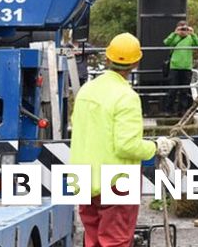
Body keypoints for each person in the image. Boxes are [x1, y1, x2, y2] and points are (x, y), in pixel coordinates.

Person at [71, 33, 173, 247]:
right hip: (116, 183)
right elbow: (127, 146)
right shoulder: (126, 96)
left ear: (107, 59)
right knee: (115, 241)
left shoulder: (86, 90)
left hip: (85, 180)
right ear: (136, 62)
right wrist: (156, 147)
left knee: (93, 241)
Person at [163, 20, 198, 114]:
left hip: (186, 67)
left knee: (184, 90)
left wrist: (193, 34)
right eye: (181, 28)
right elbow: (166, 42)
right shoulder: (175, 37)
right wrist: (175, 33)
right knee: (172, 89)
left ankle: (182, 110)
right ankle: (169, 110)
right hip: (174, 66)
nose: (183, 31)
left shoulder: (190, 38)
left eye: (185, 28)